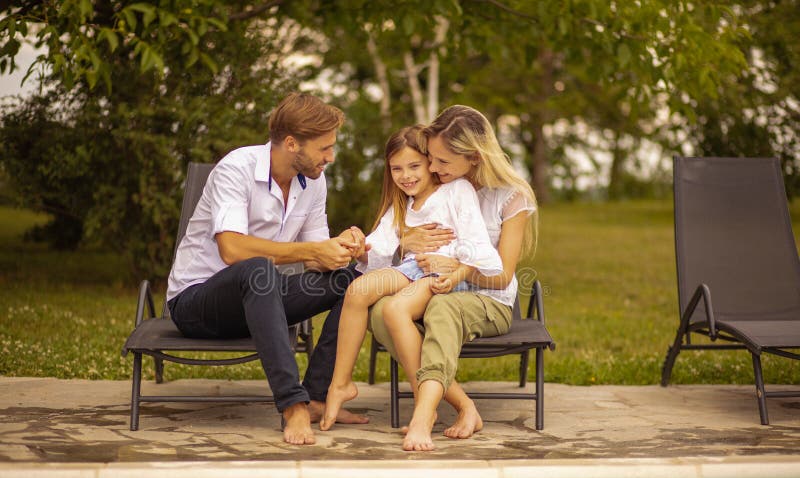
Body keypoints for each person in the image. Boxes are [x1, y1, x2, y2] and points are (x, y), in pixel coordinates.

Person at [166, 92, 370, 446]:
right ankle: (293, 406)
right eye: (324, 148)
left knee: (353, 282)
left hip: (264, 297)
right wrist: (311, 250)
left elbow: (314, 258)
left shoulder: (314, 181)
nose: (330, 157)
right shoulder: (236, 169)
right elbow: (231, 249)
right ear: (292, 144)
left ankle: (318, 397)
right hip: (198, 301)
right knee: (257, 268)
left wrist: (342, 247)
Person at [369, 105, 538, 451]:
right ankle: (464, 405)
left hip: (489, 299)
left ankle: (422, 414)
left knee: (442, 310)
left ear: (474, 157)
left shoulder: (510, 198)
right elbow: (406, 245)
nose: (432, 167)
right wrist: (408, 242)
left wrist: (458, 271)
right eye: (430, 158)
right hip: (433, 286)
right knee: (381, 310)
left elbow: (503, 276)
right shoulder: (438, 189)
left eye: (442, 162)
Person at [320, 125, 503, 430]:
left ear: (430, 163)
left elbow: (475, 240)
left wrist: (455, 265)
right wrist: (357, 244)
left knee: (396, 309)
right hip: (412, 270)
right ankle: (340, 384)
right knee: (357, 290)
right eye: (397, 169)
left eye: (415, 166)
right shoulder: (402, 205)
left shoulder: (456, 190)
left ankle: (424, 404)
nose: (406, 175)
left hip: (447, 273)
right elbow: (377, 245)